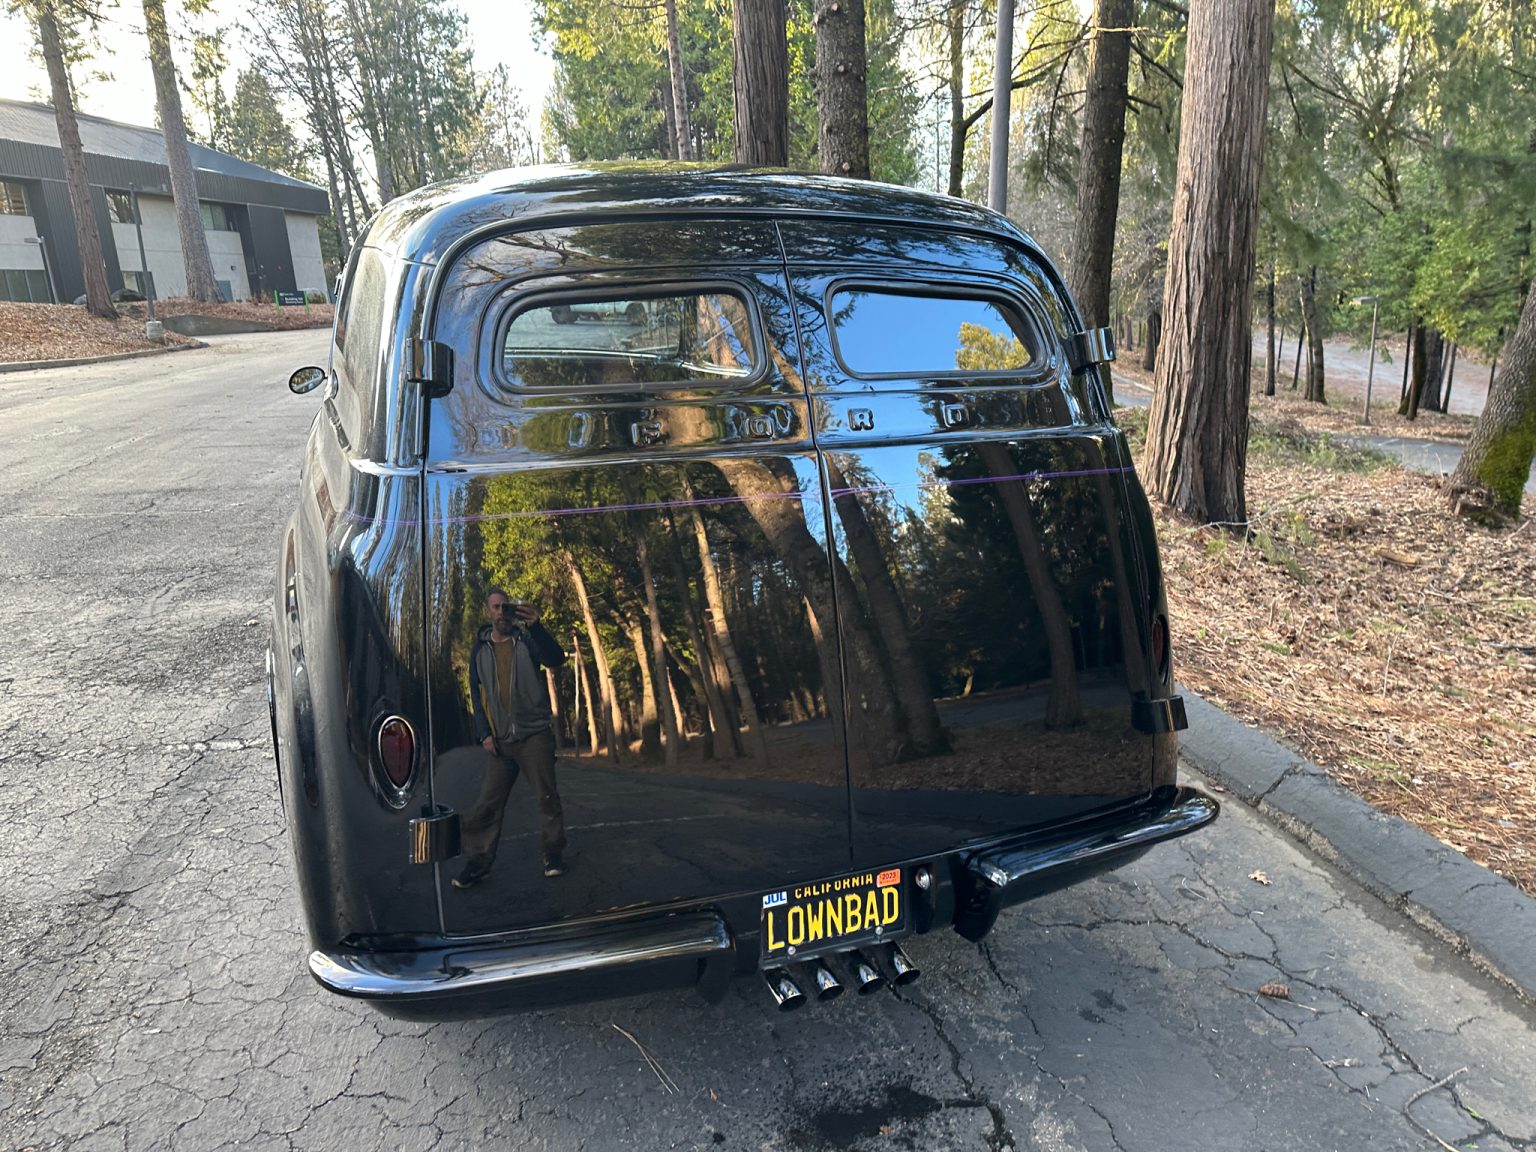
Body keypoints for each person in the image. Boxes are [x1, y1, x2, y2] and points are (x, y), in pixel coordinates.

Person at [453, 588, 568, 887]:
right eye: (496, 607)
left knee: (547, 796)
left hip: (534, 735)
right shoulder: (479, 650)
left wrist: (537, 626)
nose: (502, 612)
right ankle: (478, 863)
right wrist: (484, 734)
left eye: (506, 607)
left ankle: (553, 855)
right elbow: (477, 698)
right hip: (500, 741)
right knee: (487, 804)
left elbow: (555, 659)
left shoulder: (527, 640)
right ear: (488, 612)